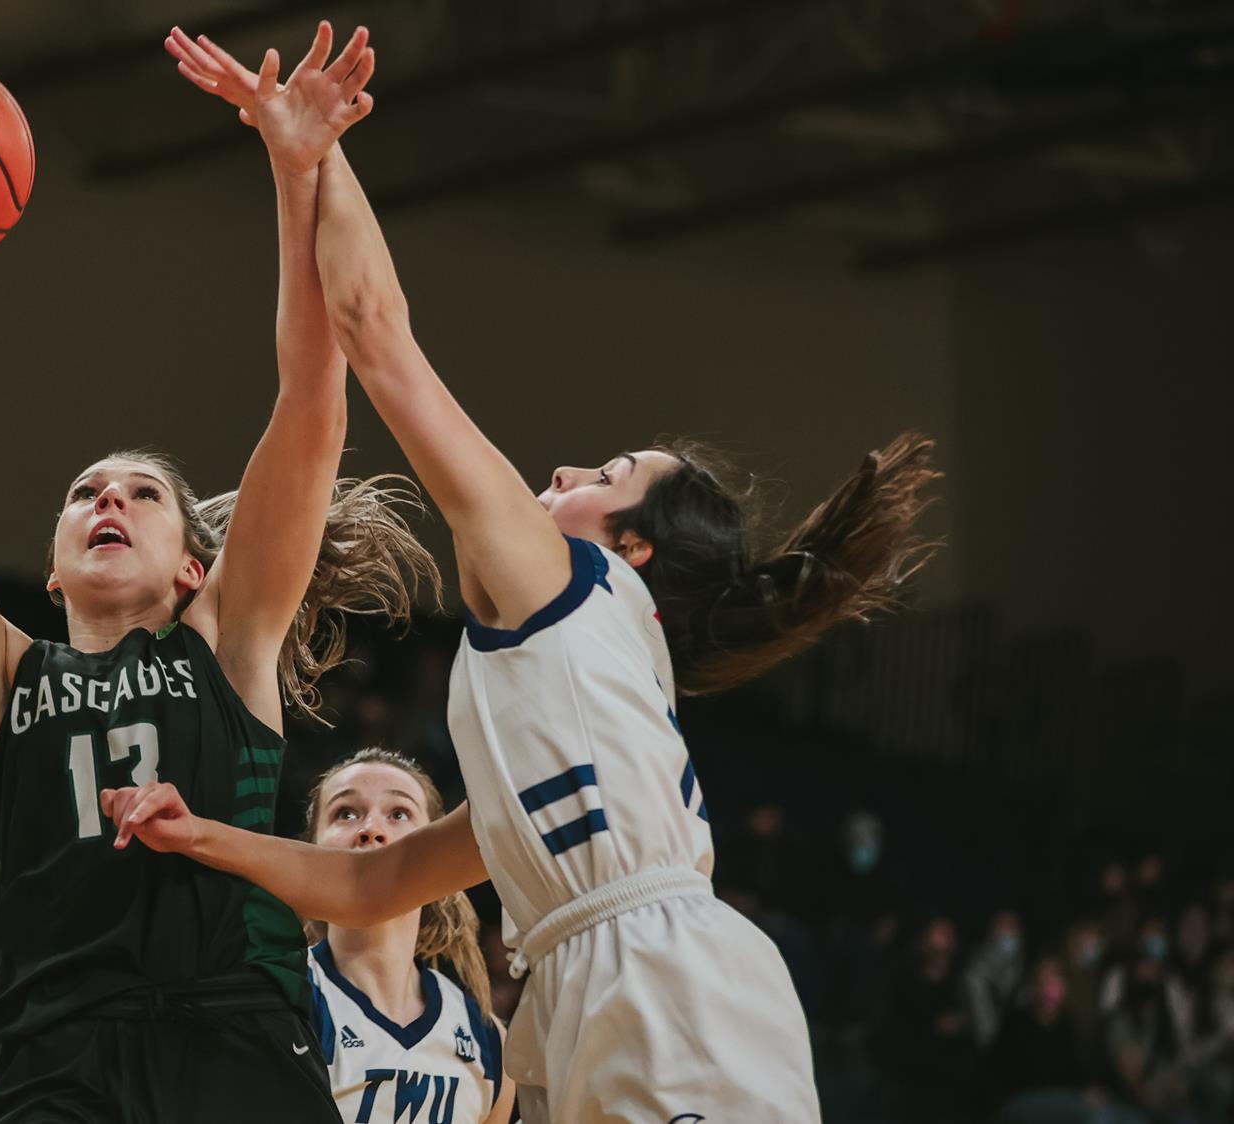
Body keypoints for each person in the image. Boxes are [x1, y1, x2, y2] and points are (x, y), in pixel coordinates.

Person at [104, 23, 940, 1121]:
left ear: (630, 545)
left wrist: (311, 153)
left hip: (661, 977)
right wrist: (194, 832)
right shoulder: (578, 673)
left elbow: (372, 329)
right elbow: (368, 883)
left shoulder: (565, 585)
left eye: (604, 471)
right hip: (584, 970)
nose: (561, 467)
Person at [0, 20, 424, 1123]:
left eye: (139, 492)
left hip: (234, 1045)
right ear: (47, 570)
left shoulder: (228, 642)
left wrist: (299, 174)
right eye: (85, 490)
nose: (106, 500)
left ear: (195, 564)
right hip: (61, 1064)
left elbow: (310, 397)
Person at [300, 749, 512, 1123]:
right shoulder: (280, 997)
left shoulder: (488, 1039)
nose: (371, 828)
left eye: (399, 813)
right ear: (310, 849)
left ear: (436, 850)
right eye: (345, 813)